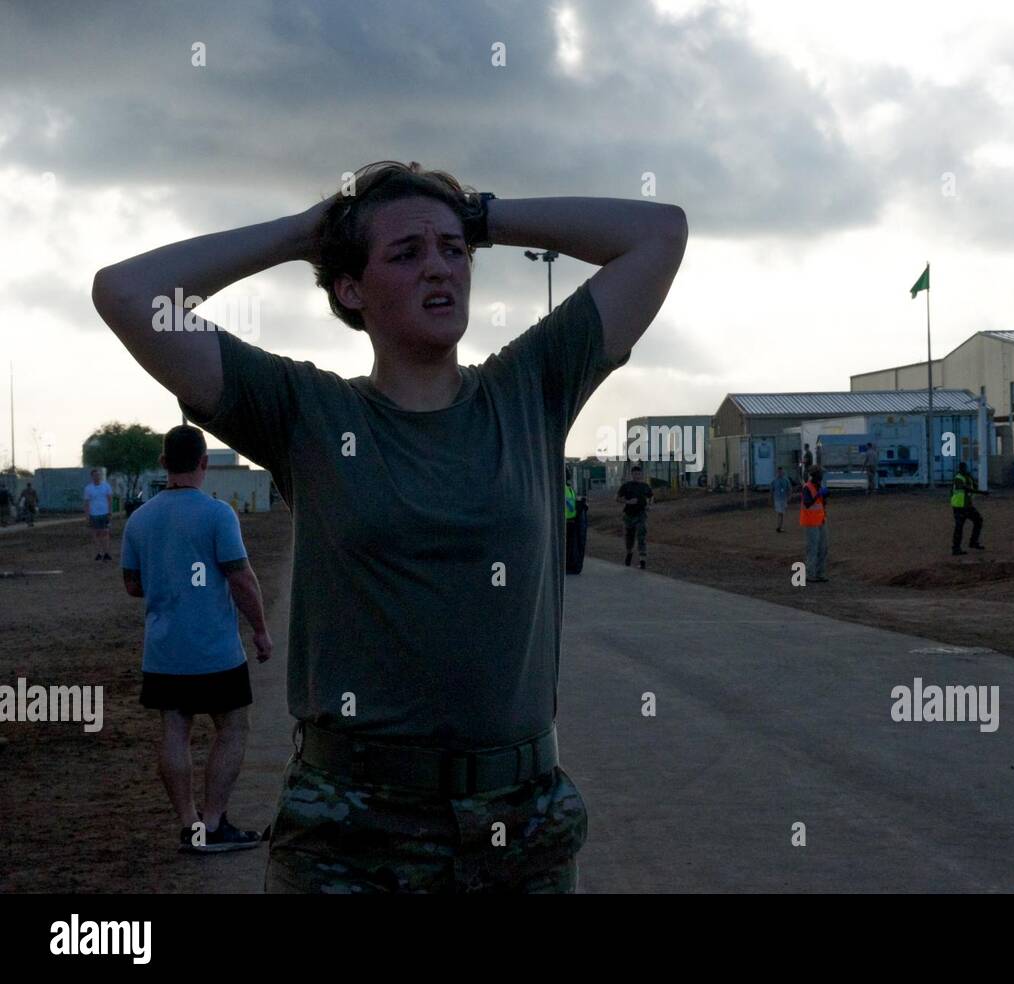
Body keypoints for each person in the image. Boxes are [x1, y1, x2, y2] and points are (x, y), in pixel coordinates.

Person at [94, 159, 686, 893]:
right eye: (405, 254)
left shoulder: (530, 386)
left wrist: (481, 214)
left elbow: (660, 233)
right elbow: (127, 293)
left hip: (521, 826)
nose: (439, 269)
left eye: (452, 250)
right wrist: (305, 232)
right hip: (352, 830)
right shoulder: (307, 413)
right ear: (349, 288)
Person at [121, 425, 271, 853]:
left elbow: (133, 585)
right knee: (233, 726)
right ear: (204, 463)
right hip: (215, 650)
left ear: (163, 463)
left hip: (164, 651)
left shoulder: (139, 518)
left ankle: (190, 825)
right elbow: (240, 577)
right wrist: (259, 629)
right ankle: (214, 820)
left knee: (174, 727)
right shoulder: (218, 514)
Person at [617, 464, 655, 569]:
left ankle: (642, 560)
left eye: (639, 474)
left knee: (641, 536)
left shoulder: (645, 486)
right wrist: (628, 501)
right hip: (629, 515)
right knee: (629, 537)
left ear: (641, 474)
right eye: (635, 474)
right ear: (632, 474)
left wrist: (649, 505)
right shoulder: (626, 486)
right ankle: (629, 553)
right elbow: (618, 498)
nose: (637, 476)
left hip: (641, 514)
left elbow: (651, 496)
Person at [950, 461, 988, 556]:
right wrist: (982, 492)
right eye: (963, 468)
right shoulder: (958, 478)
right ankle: (956, 548)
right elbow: (966, 489)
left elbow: (973, 485)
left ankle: (973, 542)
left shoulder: (967, 477)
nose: (965, 470)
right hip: (959, 506)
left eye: (965, 468)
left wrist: (971, 478)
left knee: (978, 520)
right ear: (960, 469)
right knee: (959, 527)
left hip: (967, 505)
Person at [800, 464, 829, 582]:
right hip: (811, 522)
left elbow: (822, 503)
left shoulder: (818, 486)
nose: (822, 475)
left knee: (823, 548)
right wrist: (819, 494)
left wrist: (824, 496)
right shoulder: (808, 487)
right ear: (816, 475)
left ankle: (820, 573)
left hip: (821, 520)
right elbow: (807, 503)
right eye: (821, 473)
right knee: (813, 548)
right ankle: (810, 574)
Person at [84, 467, 114, 562]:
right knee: (96, 534)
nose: (97, 477)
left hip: (104, 513)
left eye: (98, 475)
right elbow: (87, 503)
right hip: (94, 514)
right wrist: (87, 515)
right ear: (92, 477)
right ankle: (98, 553)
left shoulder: (106, 486)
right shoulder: (88, 488)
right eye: (95, 475)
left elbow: (110, 500)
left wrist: (110, 512)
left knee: (105, 533)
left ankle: (106, 552)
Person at [771, 465, 792, 532]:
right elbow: (771, 490)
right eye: (779, 472)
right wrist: (771, 498)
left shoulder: (786, 480)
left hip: (783, 498)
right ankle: (779, 526)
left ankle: (780, 526)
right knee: (780, 512)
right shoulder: (774, 481)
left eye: (781, 471)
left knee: (781, 513)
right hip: (777, 498)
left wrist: (789, 496)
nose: (780, 473)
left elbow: (789, 489)